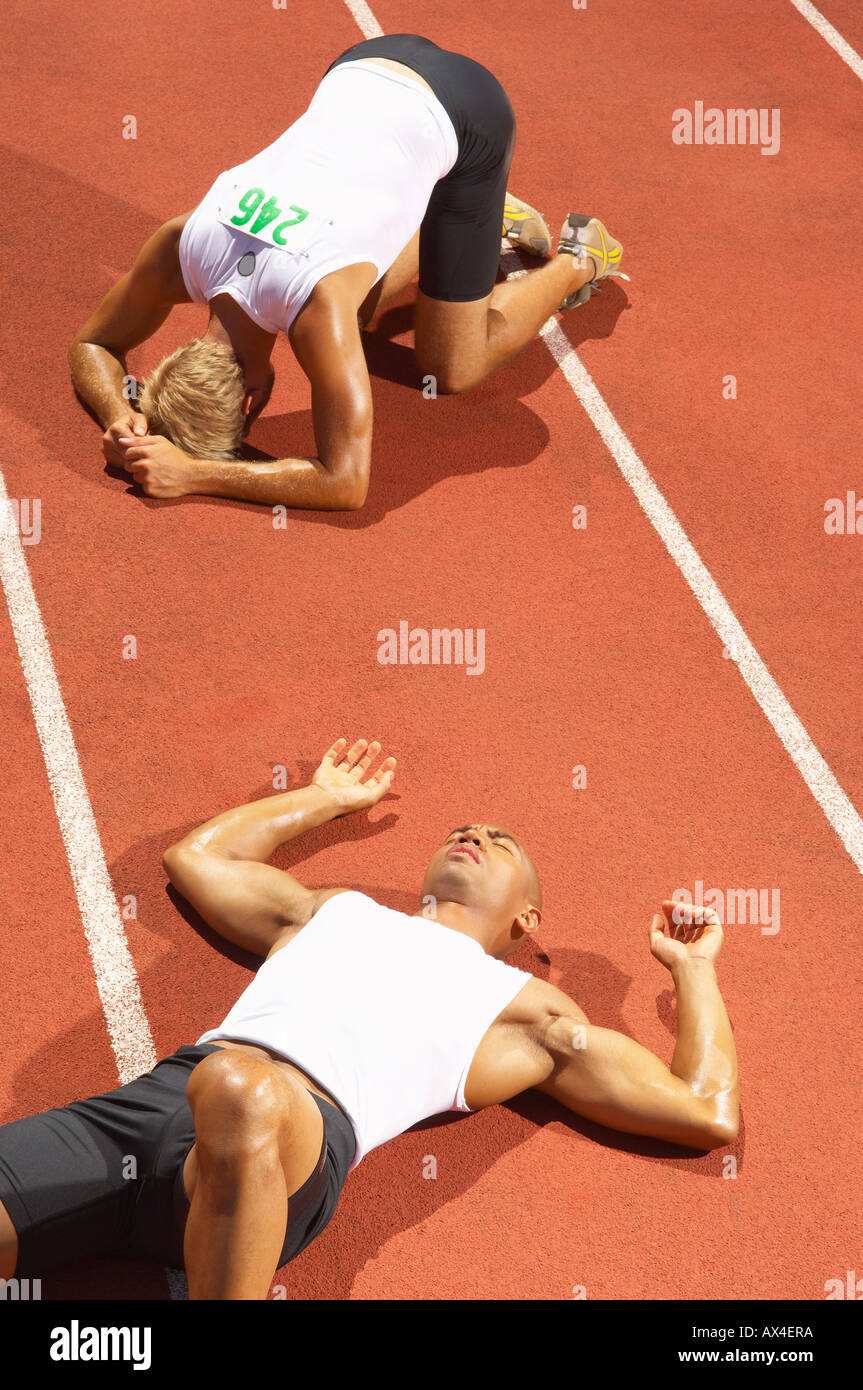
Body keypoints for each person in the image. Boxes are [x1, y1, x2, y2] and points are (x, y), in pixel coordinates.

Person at [0, 737, 738, 1300]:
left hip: (290, 1141)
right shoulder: (334, 910)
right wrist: (320, 799)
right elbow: (199, 859)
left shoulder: (525, 1009)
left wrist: (693, 971)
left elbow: (704, 1112)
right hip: (151, 1108)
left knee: (243, 1090)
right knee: (224, 1082)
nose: (475, 835)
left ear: (526, 919)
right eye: (465, 828)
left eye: (500, 841)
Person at [69, 33, 626, 510]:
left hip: (469, 111)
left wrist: (196, 474)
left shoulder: (317, 314)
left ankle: (579, 259)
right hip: (362, 63)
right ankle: (460, 220)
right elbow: (92, 344)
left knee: (451, 367)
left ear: (251, 404)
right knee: (354, 310)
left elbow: (346, 481)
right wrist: (121, 414)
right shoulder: (183, 246)